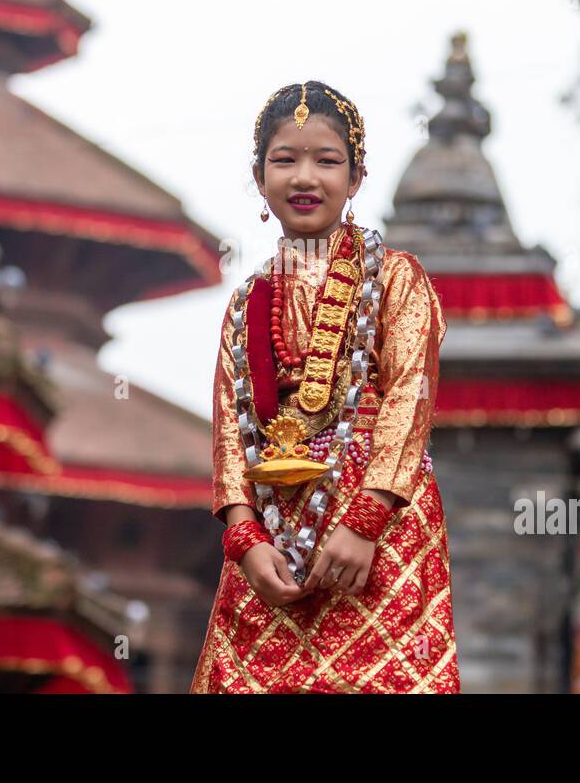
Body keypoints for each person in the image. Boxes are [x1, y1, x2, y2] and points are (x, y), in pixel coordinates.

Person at [189, 80, 460, 693]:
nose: (304, 176)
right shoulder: (246, 302)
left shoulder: (396, 277)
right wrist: (244, 539)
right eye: (284, 160)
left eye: (327, 160)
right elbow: (231, 431)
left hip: (380, 527)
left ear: (357, 178)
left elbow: (408, 400)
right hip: (270, 537)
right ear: (259, 180)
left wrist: (365, 521)